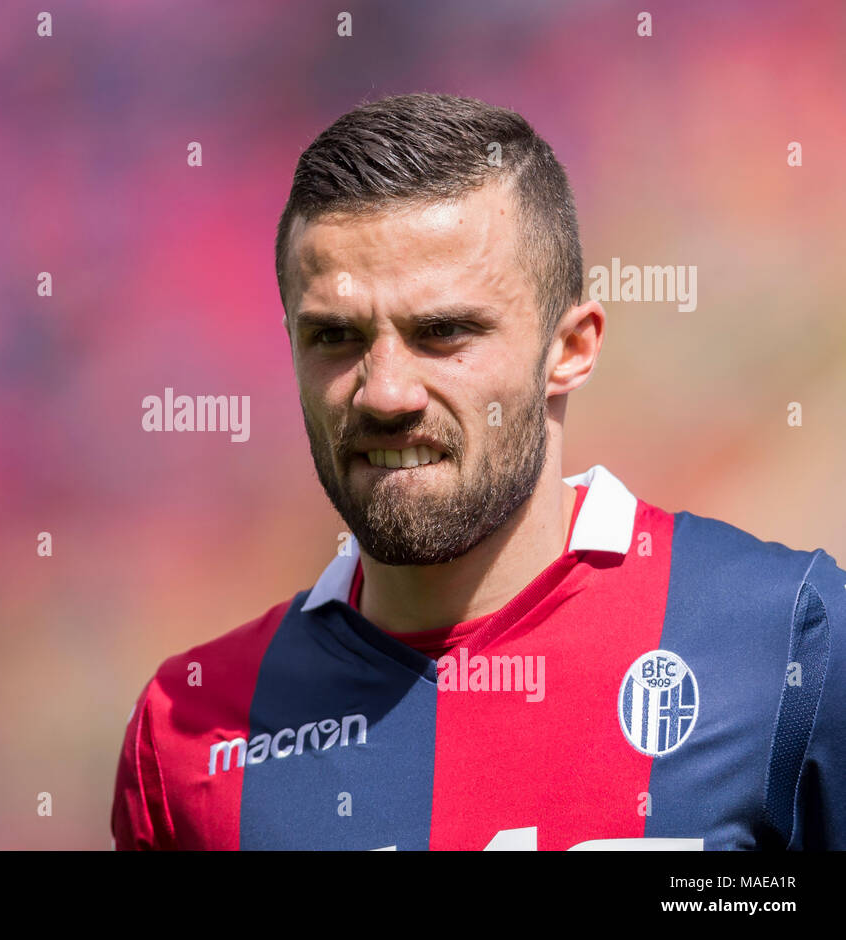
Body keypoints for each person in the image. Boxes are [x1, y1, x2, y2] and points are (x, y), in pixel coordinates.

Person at [111, 93, 846, 850]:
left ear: (571, 349)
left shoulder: (791, 641)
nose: (386, 392)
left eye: (443, 331)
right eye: (335, 335)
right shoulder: (187, 730)